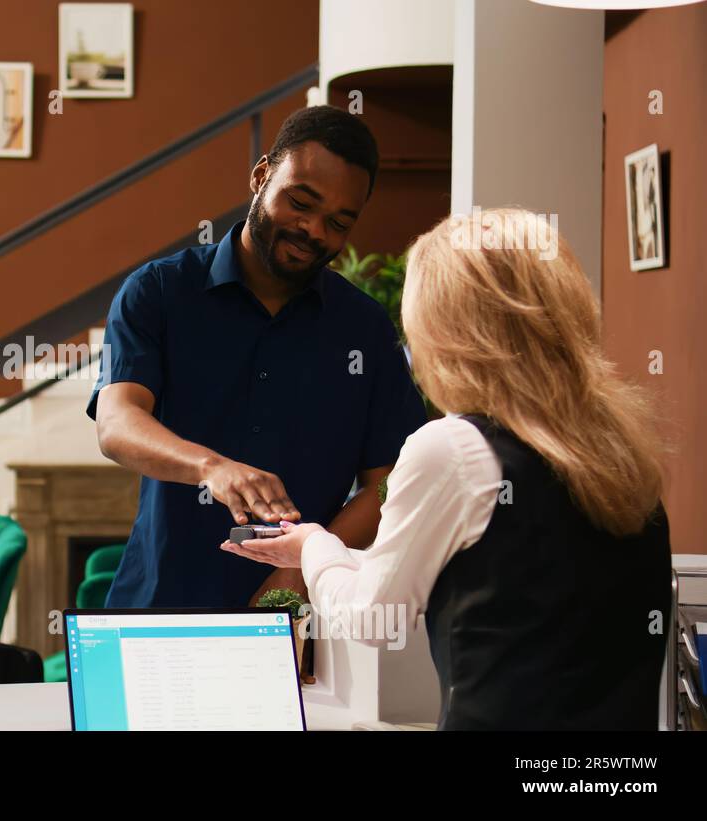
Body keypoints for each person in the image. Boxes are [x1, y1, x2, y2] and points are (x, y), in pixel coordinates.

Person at [222, 208, 672, 730]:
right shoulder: (621, 453)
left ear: (447, 329)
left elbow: (372, 617)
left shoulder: (456, 449)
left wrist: (312, 547)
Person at [88, 106, 428, 608]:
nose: (313, 230)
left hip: (297, 620)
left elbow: (390, 485)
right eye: (301, 202)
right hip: (159, 605)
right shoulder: (159, 292)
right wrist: (211, 467)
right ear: (261, 175)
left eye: (337, 222)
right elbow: (116, 425)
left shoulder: (365, 329)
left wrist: (302, 569)